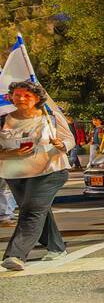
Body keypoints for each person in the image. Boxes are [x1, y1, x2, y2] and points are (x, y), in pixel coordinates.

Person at [0, 81, 74, 270]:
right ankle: (56, 248)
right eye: (17, 95)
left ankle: (15, 255)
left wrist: (62, 145)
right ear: (10, 97)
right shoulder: (3, 120)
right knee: (37, 210)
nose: (21, 99)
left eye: (27, 95)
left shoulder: (51, 117)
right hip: (15, 174)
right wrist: (13, 154)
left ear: (37, 98)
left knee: (31, 210)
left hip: (50, 171)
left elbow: (69, 139)